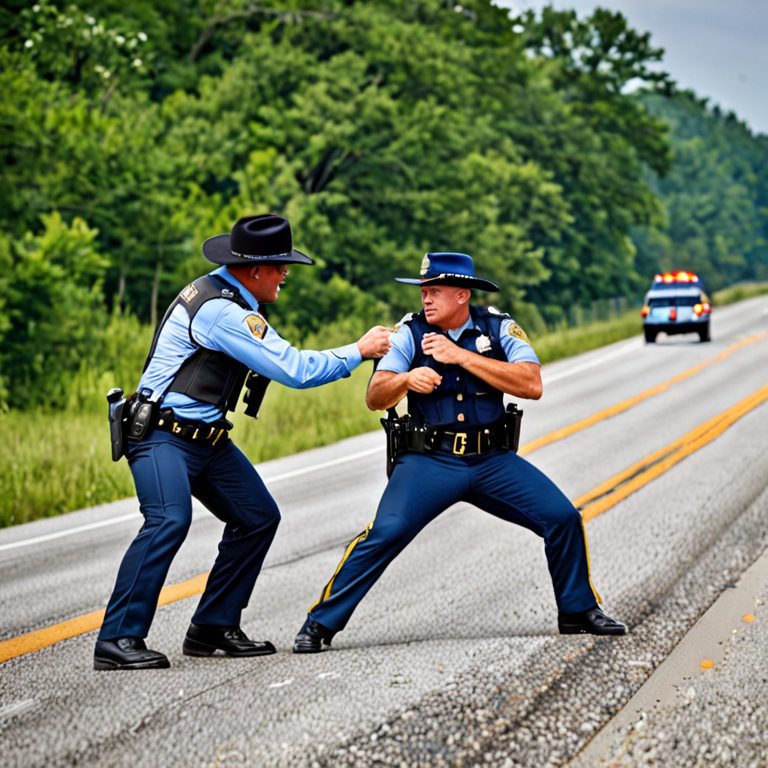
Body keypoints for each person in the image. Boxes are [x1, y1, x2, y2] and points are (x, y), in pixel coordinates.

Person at [94, 214, 391, 670]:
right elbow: (295, 369)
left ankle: (212, 625)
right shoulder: (221, 310)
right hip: (161, 438)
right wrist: (360, 349)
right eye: (281, 266)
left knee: (257, 517)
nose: (287, 273)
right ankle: (117, 639)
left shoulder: (233, 296)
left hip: (205, 440)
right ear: (255, 270)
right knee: (168, 521)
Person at [293, 252, 625, 653]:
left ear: (462, 295)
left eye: (434, 291)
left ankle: (577, 610)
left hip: (491, 460)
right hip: (429, 461)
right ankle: (320, 623)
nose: (425, 299)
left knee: (563, 517)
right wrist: (405, 380)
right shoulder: (408, 333)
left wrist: (460, 356)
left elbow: (532, 384)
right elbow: (374, 397)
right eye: (423, 291)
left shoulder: (499, 328)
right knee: (386, 532)